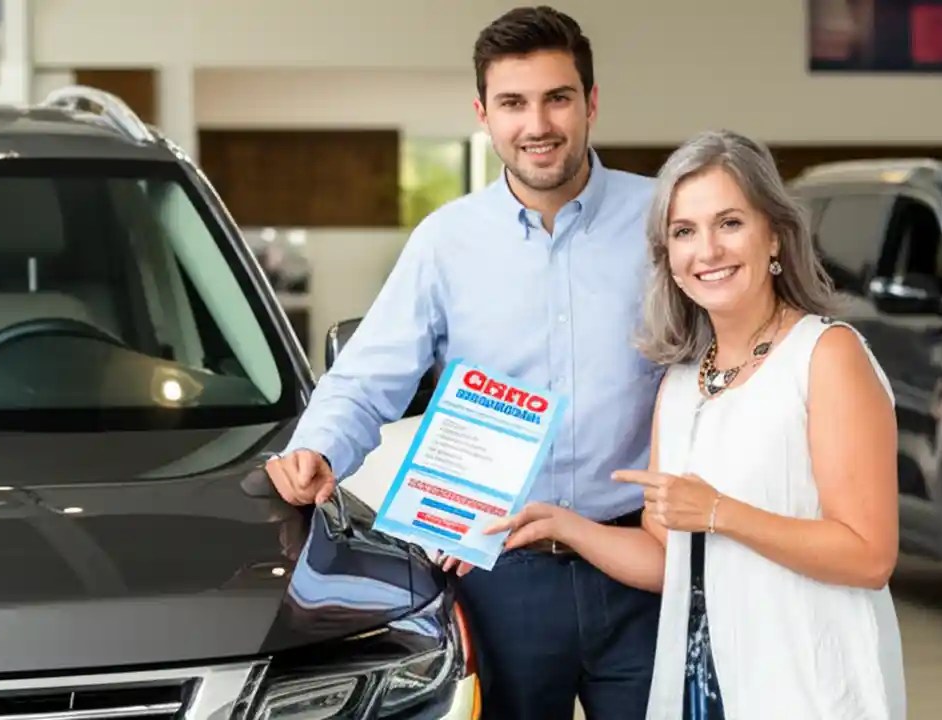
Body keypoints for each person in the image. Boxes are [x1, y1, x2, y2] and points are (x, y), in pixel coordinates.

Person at [265, 5, 663, 718]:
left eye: (557, 98)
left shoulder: (663, 223)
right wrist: (316, 449)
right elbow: (366, 377)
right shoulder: (445, 241)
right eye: (513, 102)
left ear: (591, 103)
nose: (536, 124)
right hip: (498, 574)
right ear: (483, 112)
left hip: (644, 568)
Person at [487, 129, 908, 719]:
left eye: (729, 223)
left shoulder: (827, 356)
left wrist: (719, 513)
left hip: (806, 681)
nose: (706, 251)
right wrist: (567, 526)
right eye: (684, 232)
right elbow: (669, 560)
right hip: (704, 681)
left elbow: (868, 556)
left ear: (775, 237)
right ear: (668, 260)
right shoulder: (682, 381)